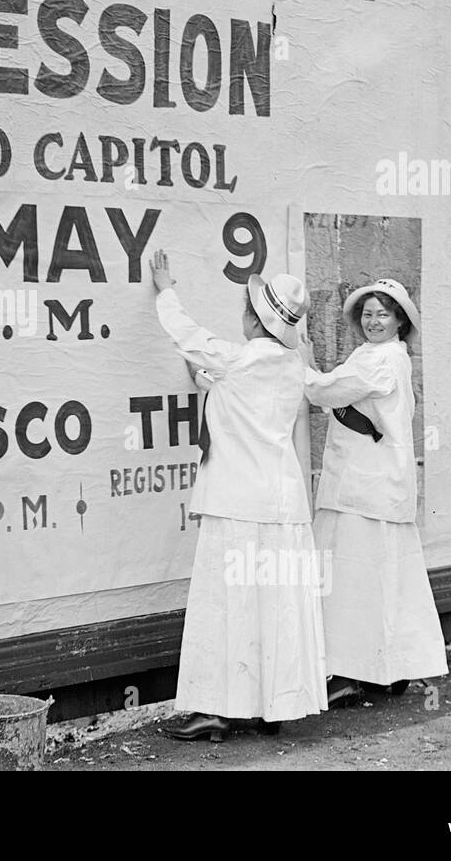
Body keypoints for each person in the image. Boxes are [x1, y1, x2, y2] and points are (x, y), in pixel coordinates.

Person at [150, 250, 328, 741]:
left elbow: (186, 334)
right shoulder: (291, 366)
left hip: (237, 503)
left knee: (227, 606)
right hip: (283, 504)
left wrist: (166, 287)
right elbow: (236, 388)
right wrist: (205, 379)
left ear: (254, 318)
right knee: (276, 605)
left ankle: (216, 710)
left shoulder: (236, 358)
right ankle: (274, 704)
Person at [302, 279, 448, 704]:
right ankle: (388, 669)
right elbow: (342, 393)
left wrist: (302, 361)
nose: (373, 321)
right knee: (383, 582)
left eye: (383, 314)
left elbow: (322, 391)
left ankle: (350, 669)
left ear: (400, 320)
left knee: (353, 582)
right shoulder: (378, 356)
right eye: (367, 314)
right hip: (374, 486)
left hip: (364, 490)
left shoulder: (381, 360)